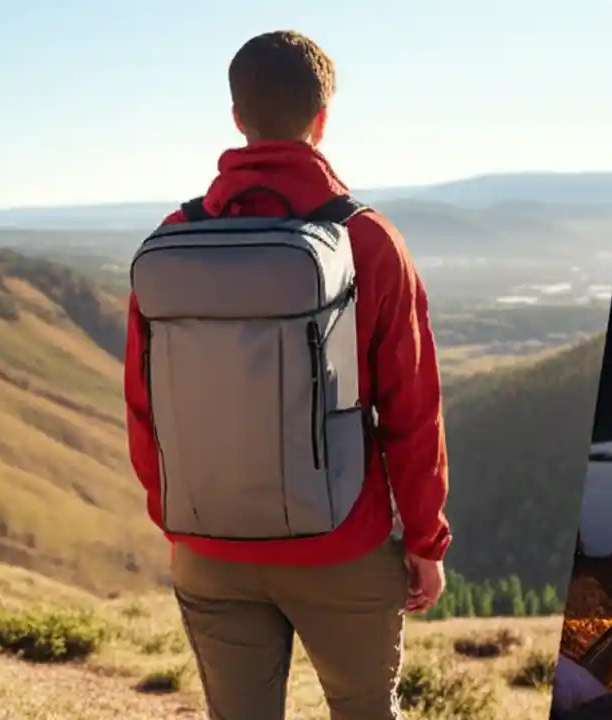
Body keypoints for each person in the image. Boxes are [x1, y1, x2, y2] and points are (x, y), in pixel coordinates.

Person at [123, 30, 450, 720]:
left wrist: (179, 519)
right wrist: (425, 539)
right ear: (322, 119)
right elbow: (411, 410)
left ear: (237, 117)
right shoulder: (368, 240)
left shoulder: (174, 240)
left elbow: (143, 402)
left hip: (209, 546)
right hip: (342, 543)